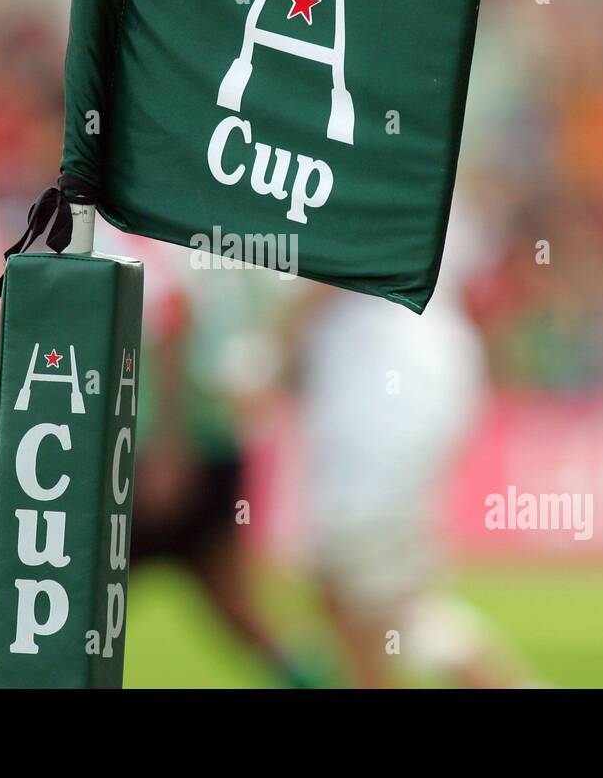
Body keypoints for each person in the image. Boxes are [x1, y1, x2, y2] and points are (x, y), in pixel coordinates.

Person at [295, 204, 539, 688]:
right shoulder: (426, 179)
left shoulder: (350, 184)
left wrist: (265, 352)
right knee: (359, 591)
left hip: (387, 398)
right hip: (411, 380)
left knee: (366, 589)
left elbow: (324, 277)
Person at [95, 222, 315, 687]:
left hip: (164, 452)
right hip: (204, 443)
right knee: (238, 610)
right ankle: (317, 678)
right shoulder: (202, 239)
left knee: (82, 600)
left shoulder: (138, 232)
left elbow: (172, 319)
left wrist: (168, 444)